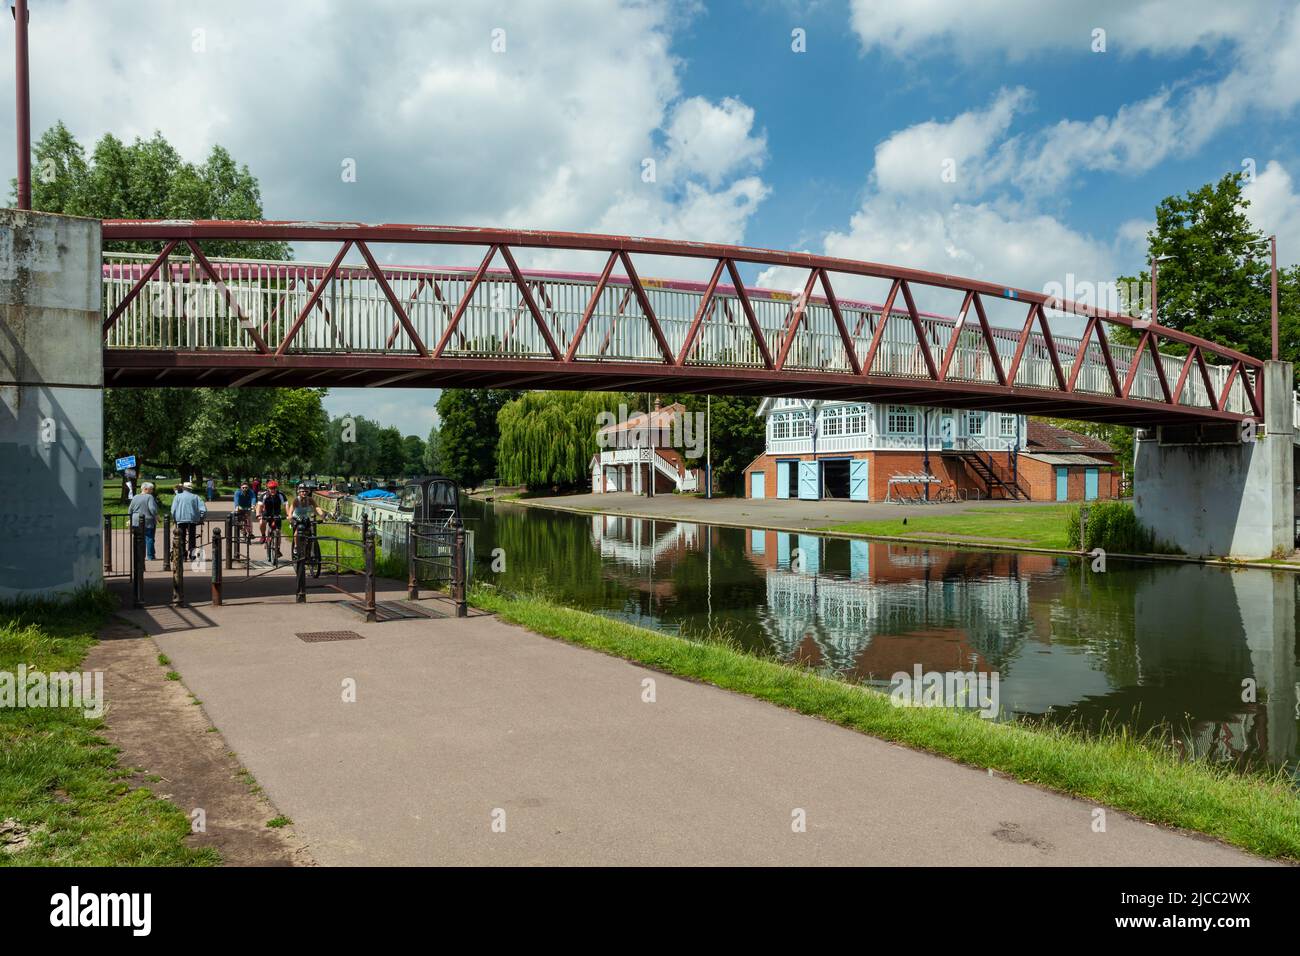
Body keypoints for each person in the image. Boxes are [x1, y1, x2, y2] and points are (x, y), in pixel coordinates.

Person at [170, 481, 207, 561]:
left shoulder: (177, 497)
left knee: (181, 537)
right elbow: (203, 510)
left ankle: (183, 555)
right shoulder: (195, 497)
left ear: (183, 488)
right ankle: (192, 555)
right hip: (192, 520)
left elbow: (173, 510)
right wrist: (200, 518)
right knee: (192, 538)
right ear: (190, 489)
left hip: (180, 520)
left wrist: (174, 518)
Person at [127, 481, 159, 560]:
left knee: (138, 538)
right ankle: (150, 556)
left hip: (135, 520)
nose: (152, 491)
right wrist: (157, 516)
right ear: (145, 489)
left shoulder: (135, 497)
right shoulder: (149, 497)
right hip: (147, 520)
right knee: (149, 537)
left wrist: (130, 518)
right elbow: (152, 508)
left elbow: (130, 509)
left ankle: (139, 555)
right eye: (151, 489)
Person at [258, 480, 287, 557]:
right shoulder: (264, 495)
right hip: (267, 513)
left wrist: (288, 515)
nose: (272, 490)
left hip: (277, 513)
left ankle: (277, 549)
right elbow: (259, 506)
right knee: (261, 522)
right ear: (268, 488)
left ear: (276, 488)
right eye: (271, 488)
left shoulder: (281, 495)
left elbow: (286, 505)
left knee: (278, 532)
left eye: (274, 488)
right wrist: (258, 514)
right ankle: (263, 536)